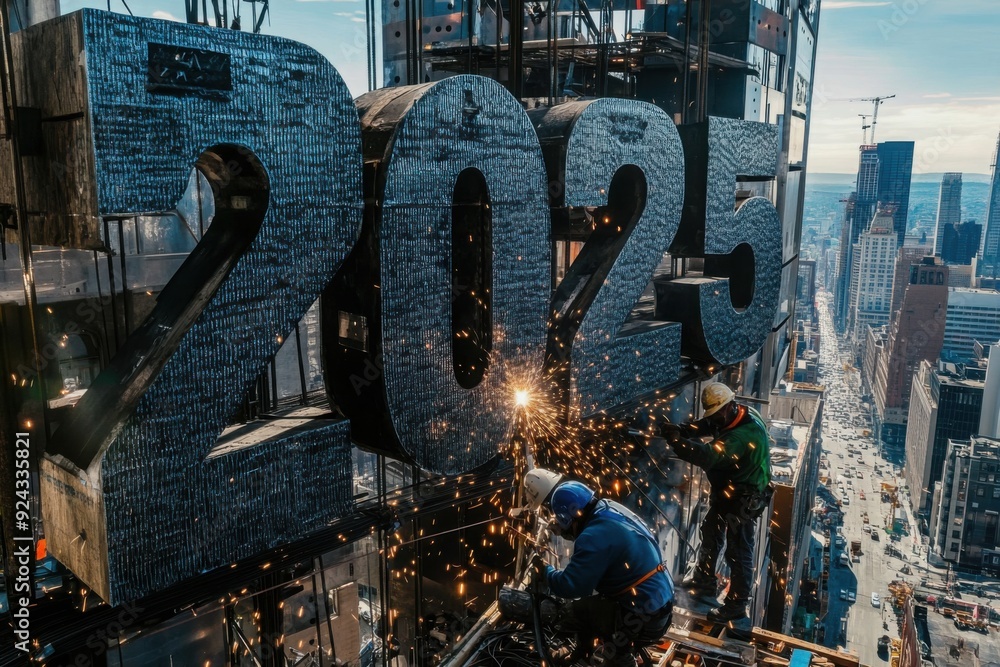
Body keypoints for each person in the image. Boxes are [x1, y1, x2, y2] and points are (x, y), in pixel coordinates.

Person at [522, 469, 674, 666]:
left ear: (569, 517)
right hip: (658, 607)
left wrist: (545, 572)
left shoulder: (592, 537)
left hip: (641, 620)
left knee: (571, 612)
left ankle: (622, 656)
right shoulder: (607, 508)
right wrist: (564, 529)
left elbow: (571, 586)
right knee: (588, 606)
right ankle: (583, 653)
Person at [660, 382, 772, 623]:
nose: (714, 419)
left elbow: (706, 456)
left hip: (744, 498)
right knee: (711, 532)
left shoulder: (742, 436)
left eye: (717, 413)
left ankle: (736, 606)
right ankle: (704, 581)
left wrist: (676, 441)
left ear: (730, 406)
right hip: (729, 492)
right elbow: (707, 425)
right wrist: (682, 430)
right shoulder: (733, 414)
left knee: (738, 550)